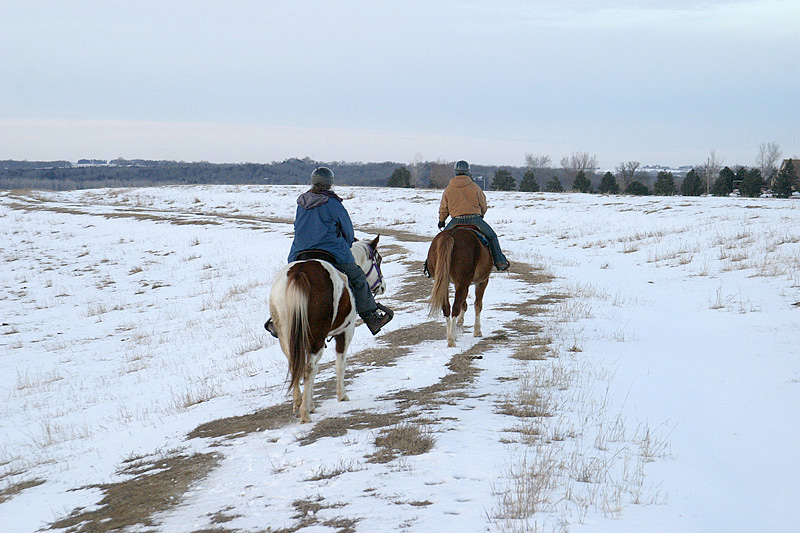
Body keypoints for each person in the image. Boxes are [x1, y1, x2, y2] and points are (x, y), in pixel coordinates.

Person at [265, 166, 393, 337]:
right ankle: (371, 316)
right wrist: (346, 244)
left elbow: (298, 226)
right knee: (357, 277)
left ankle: (277, 319)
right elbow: (348, 231)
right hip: (331, 252)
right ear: (330, 184)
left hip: (300, 252)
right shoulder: (333, 203)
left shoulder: (301, 201)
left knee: (289, 279)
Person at [438, 160, 510, 271]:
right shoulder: (475, 187)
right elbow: (483, 205)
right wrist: (481, 215)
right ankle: (500, 262)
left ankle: (431, 264)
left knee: (441, 240)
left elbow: (444, 208)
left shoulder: (449, 189)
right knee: (492, 236)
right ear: (468, 172)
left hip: (456, 220)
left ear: (455, 172)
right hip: (474, 219)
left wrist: (442, 220)